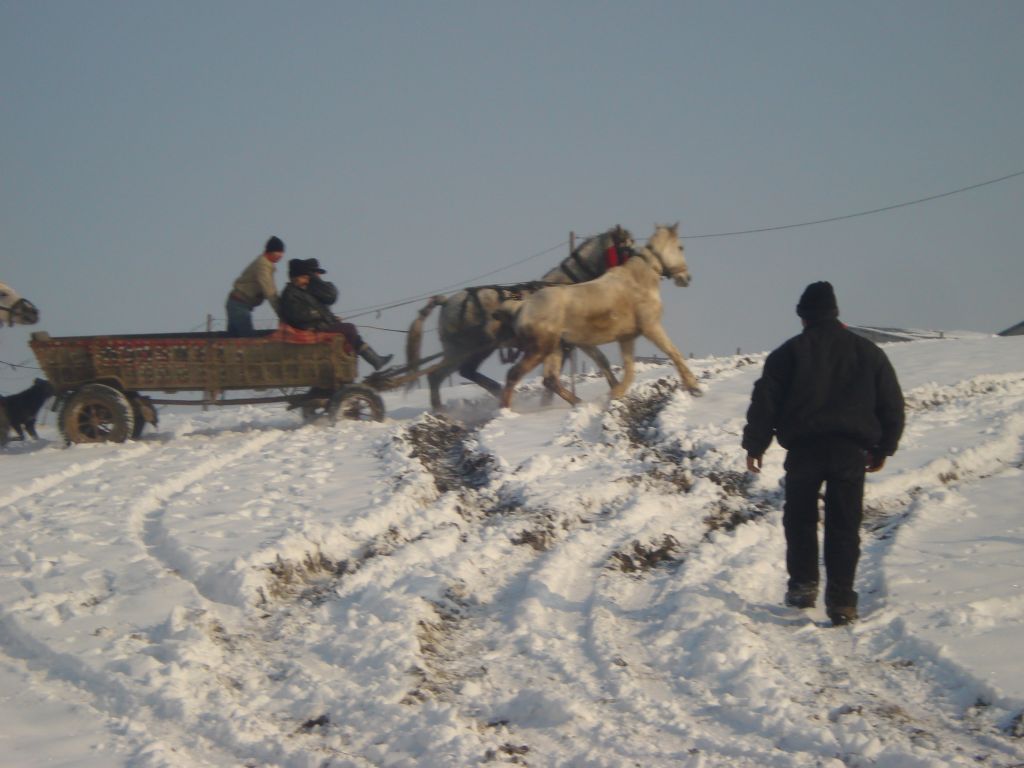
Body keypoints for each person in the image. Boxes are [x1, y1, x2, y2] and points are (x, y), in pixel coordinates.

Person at [741, 281, 904, 626]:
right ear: (835, 313)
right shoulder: (868, 352)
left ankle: (803, 586)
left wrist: (755, 445)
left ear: (803, 317)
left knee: (799, 519)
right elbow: (891, 404)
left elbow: (765, 402)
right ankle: (842, 600)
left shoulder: (787, 354)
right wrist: (883, 448)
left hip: (804, 451)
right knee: (844, 525)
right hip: (850, 452)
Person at [279, 258, 393, 370]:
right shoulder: (290, 293)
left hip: (318, 325)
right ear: (295, 277)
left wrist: (331, 318)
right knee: (350, 329)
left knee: (351, 332)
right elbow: (296, 314)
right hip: (311, 328)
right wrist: (317, 314)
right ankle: (347, 357)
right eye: (303, 277)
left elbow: (320, 306)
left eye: (307, 277)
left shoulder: (301, 291)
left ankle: (375, 360)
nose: (307, 280)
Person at [226, 236, 285, 336]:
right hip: (239, 306)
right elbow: (270, 291)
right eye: (278, 252)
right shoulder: (263, 266)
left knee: (234, 340)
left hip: (237, 304)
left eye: (282, 252)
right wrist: (282, 314)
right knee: (248, 340)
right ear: (270, 252)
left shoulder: (266, 265)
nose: (281, 255)